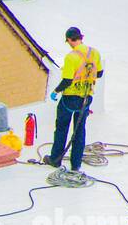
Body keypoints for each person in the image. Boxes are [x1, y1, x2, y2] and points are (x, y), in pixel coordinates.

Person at [45, 26, 104, 182]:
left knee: (62, 127)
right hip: (86, 97)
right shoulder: (94, 52)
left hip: (70, 98)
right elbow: (99, 73)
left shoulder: (71, 57)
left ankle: (55, 159)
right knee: (79, 130)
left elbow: (67, 80)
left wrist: (56, 91)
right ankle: (75, 164)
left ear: (70, 40)